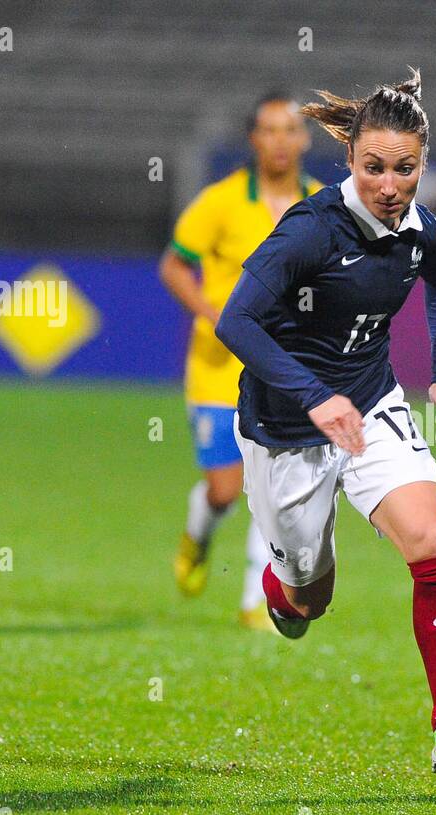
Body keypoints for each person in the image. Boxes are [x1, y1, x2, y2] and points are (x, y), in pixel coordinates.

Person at [213, 69, 436, 774]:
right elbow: (234, 321)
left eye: (404, 169)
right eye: (373, 168)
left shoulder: (421, 228)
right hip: (287, 427)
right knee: (310, 599)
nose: (389, 185)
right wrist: (312, 394)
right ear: (350, 162)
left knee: (431, 540)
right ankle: (284, 588)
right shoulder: (309, 231)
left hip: (371, 404)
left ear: (422, 165)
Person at [159, 93, 322, 629]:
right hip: (218, 367)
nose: (280, 140)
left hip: (282, 369)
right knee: (228, 488)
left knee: (271, 484)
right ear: (254, 139)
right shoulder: (222, 201)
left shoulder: (322, 205)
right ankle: (198, 533)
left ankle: (257, 598)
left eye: (290, 129)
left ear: (305, 138)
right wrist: (208, 310)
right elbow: (175, 265)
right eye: (269, 129)